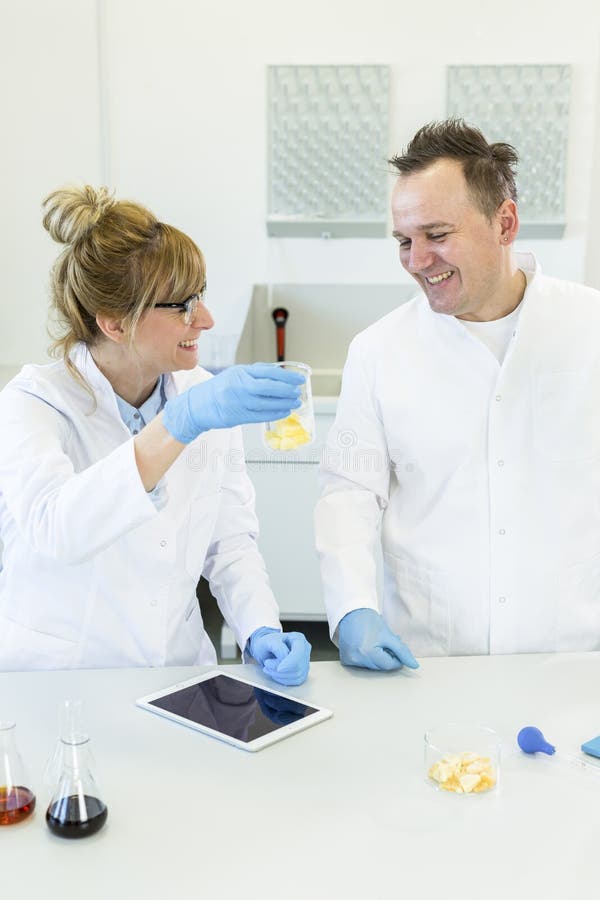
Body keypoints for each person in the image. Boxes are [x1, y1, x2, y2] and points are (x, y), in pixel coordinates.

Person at [315, 118, 600, 670]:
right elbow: (348, 492)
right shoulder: (378, 351)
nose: (417, 260)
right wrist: (351, 609)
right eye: (404, 240)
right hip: (429, 661)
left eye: (437, 235)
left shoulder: (591, 327)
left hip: (575, 661)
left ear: (505, 223)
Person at [0, 185, 311, 684]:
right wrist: (178, 423)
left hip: (175, 668)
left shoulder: (201, 395)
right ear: (115, 323)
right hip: (58, 678)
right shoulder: (35, 403)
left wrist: (260, 628)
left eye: (201, 295)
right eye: (183, 306)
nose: (205, 320)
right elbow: (56, 529)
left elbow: (229, 541)